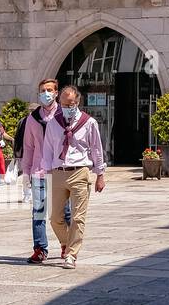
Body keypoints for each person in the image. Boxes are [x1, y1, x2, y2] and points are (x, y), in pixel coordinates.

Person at [44, 86, 106, 269]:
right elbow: (48, 149)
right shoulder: (53, 123)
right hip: (58, 171)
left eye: (70, 104)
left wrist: (100, 174)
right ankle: (67, 242)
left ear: (77, 102)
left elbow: (96, 148)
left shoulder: (89, 122)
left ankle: (71, 255)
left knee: (78, 217)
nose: (66, 107)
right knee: (55, 217)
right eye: (63, 104)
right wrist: (47, 173)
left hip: (80, 171)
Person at [21, 79, 71, 263]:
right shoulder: (32, 119)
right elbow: (28, 147)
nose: (46, 93)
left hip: (60, 171)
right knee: (39, 212)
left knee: (64, 212)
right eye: (43, 90)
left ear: (56, 92)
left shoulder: (64, 114)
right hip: (39, 171)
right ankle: (40, 249)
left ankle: (66, 245)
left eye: (49, 90)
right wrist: (25, 172)